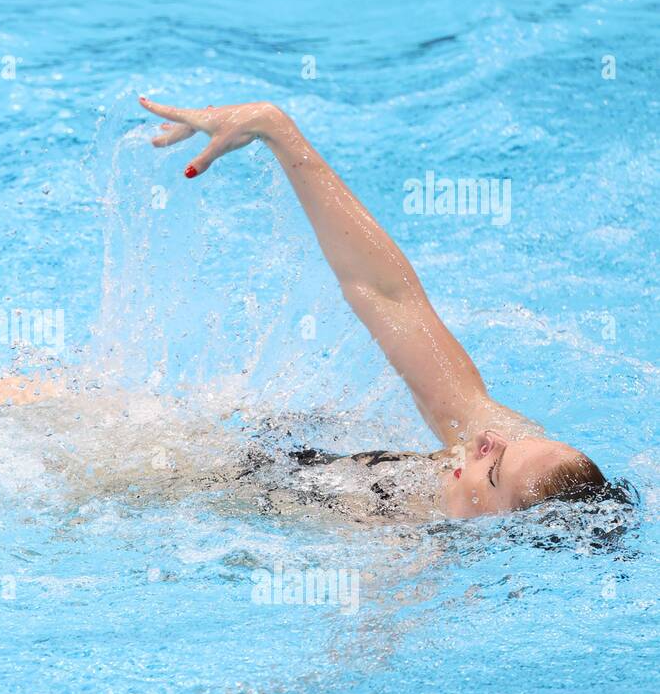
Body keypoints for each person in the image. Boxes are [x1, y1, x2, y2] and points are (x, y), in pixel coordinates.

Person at [138, 95, 616, 517]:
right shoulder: (488, 450)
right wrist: (276, 129)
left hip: (177, 498)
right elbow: (392, 297)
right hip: (244, 459)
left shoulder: (410, 562)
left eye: (494, 470)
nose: (489, 439)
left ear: (497, 524)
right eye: (519, 441)